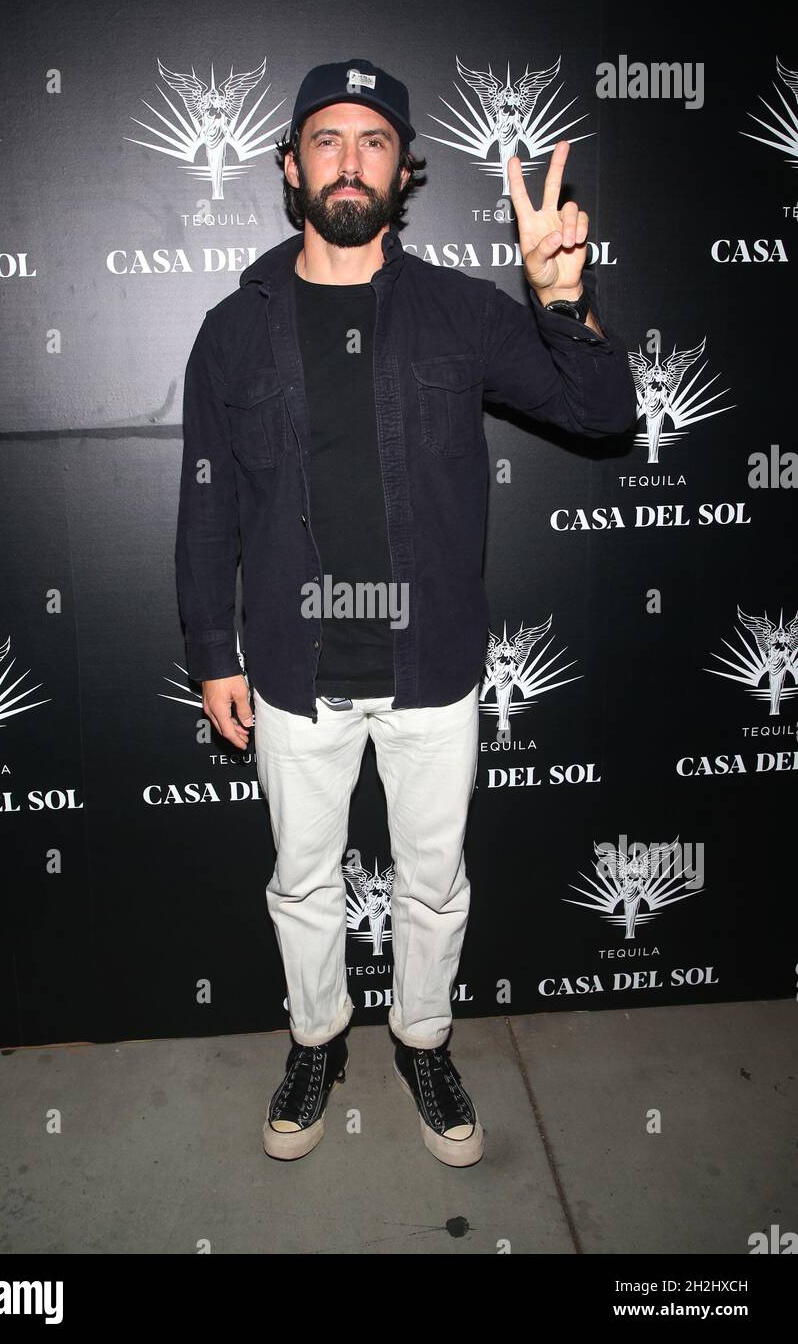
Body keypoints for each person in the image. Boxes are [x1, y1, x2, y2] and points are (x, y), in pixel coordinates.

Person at [175, 58, 637, 1166]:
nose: (349, 159)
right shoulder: (233, 329)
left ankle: (421, 1039)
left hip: (432, 663)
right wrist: (210, 650)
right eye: (326, 139)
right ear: (291, 166)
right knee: (302, 881)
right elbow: (206, 503)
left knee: (433, 882)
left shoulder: (464, 313)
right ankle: (317, 1034)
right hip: (292, 665)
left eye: (373, 140)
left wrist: (559, 299)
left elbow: (603, 409)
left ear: (403, 169)